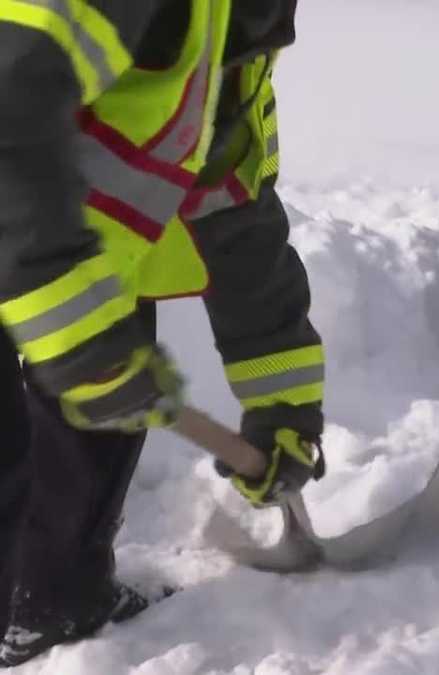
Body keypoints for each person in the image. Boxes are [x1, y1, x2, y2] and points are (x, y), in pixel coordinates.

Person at [0, 1, 325, 666]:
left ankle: (54, 592)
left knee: (104, 400)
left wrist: (283, 399)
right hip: (25, 226)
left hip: (58, 239)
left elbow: (236, 195)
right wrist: (74, 327)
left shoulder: (233, 22)